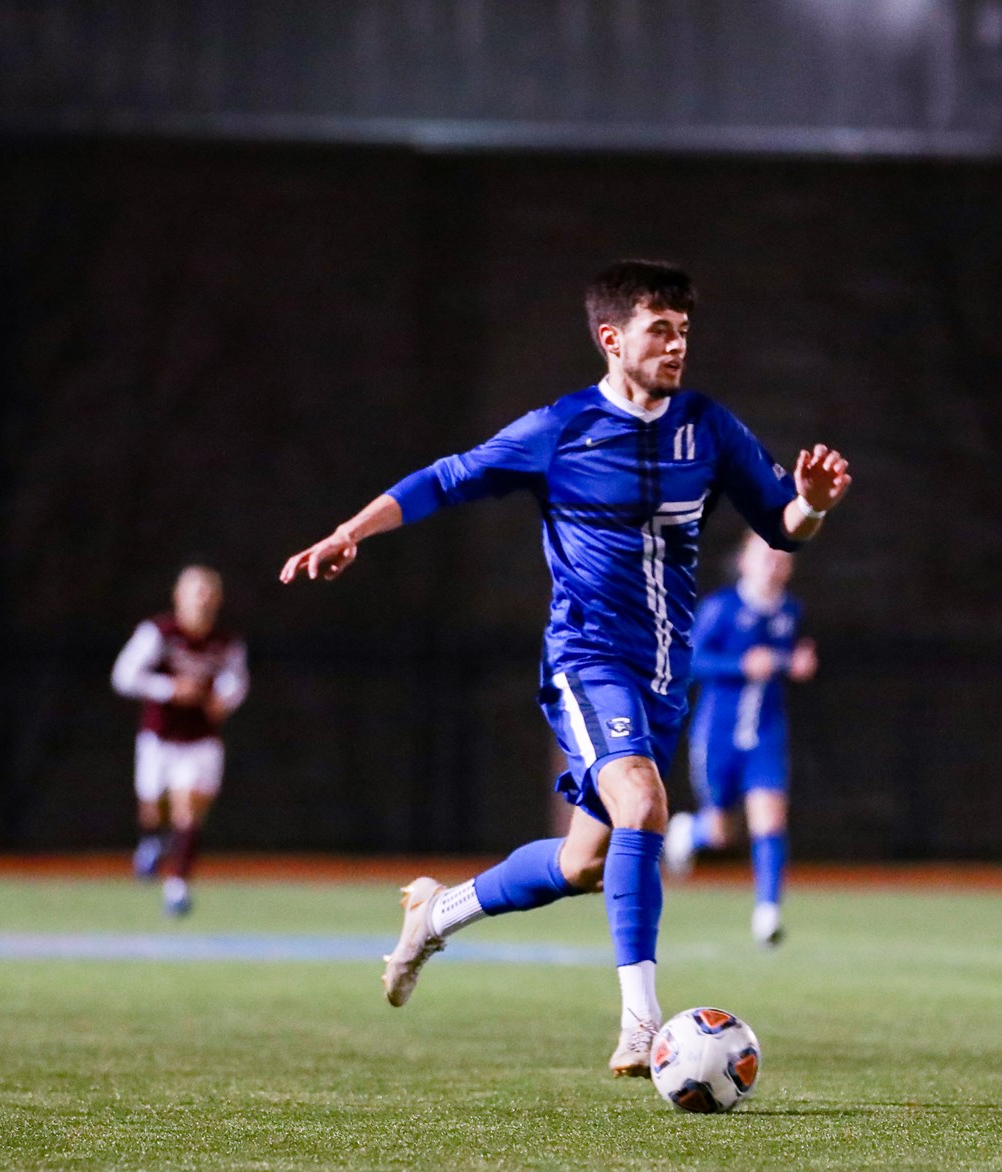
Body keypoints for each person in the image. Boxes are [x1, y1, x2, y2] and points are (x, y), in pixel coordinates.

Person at [278, 260, 852, 1075]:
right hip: (587, 658)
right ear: (612, 339)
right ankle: (641, 1025)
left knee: (586, 861)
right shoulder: (562, 428)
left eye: (684, 330)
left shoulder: (709, 428)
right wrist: (349, 531)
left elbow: (784, 525)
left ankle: (434, 915)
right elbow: (448, 477)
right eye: (660, 329)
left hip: (663, 676)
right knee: (644, 803)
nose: (676, 344)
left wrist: (816, 502)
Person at [665, 532, 818, 946]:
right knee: (720, 832)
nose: (773, 561)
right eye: (762, 552)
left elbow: (782, 659)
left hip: (766, 733)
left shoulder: (789, 611)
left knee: (770, 818)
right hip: (718, 736)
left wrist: (795, 663)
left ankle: (768, 913)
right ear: (744, 561)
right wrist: (740, 664)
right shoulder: (721, 608)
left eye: (779, 555)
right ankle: (688, 832)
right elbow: (691, 662)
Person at [110, 565, 249, 917]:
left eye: (208, 591)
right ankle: (151, 841)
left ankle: (177, 886)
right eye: (194, 590)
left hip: (200, 740)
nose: (202, 598)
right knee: (153, 810)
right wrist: (170, 689)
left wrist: (225, 698)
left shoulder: (226, 641)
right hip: (158, 738)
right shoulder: (159, 632)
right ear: (178, 596)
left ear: (217, 599)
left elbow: (237, 681)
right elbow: (124, 676)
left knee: (188, 813)